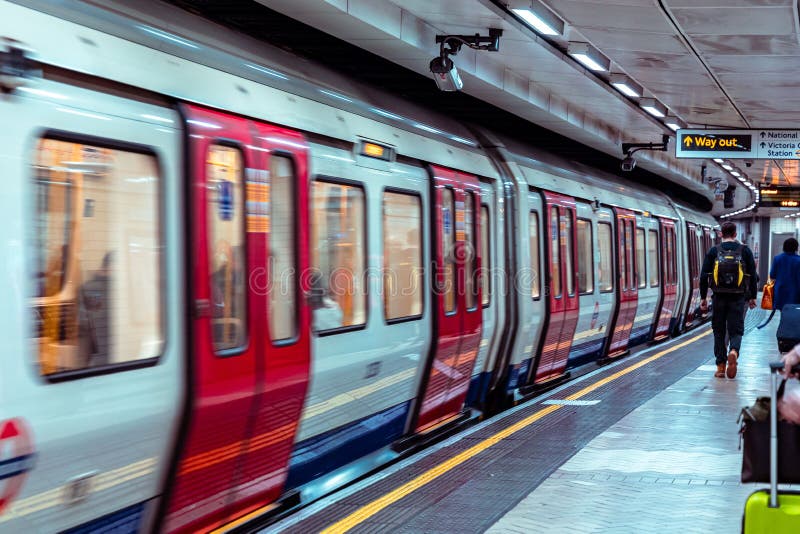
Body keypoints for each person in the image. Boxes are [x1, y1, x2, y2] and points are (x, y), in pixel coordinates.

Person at [699, 222, 757, 379]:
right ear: (735, 234)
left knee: (719, 331)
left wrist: (703, 297)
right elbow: (752, 275)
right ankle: (734, 352)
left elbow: (704, 276)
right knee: (736, 330)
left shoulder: (713, 251)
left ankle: (720, 367)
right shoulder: (744, 251)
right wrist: (752, 297)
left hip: (718, 298)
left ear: (721, 234)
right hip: (738, 298)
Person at [769, 237, 800, 313]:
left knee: (783, 314)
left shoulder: (777, 258)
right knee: (793, 315)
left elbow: (772, 275)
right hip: (795, 293)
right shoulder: (798, 260)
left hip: (780, 292)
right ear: (796, 247)